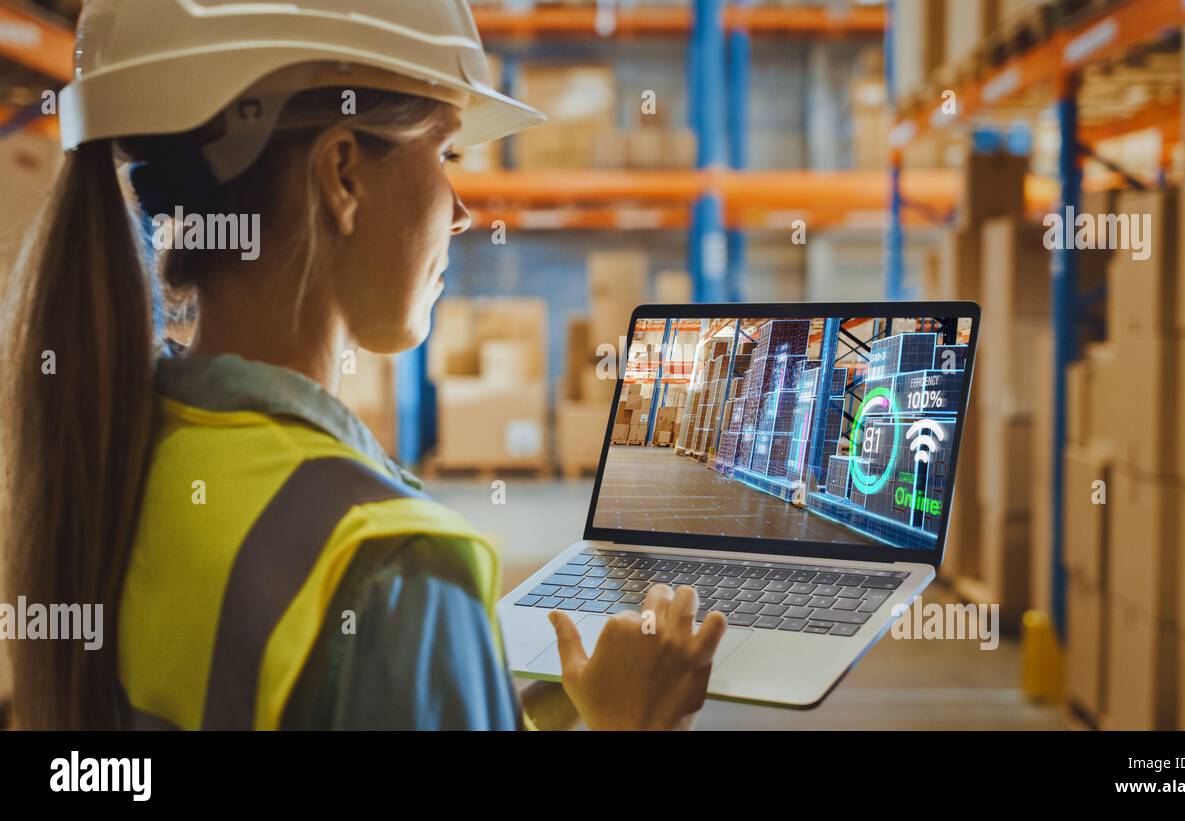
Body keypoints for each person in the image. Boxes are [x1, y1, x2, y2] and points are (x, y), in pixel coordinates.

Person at [0, 0, 726, 731]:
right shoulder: (392, 566)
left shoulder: (116, 449)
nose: (463, 212)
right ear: (341, 175)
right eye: (446, 154)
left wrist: (504, 697)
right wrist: (635, 721)